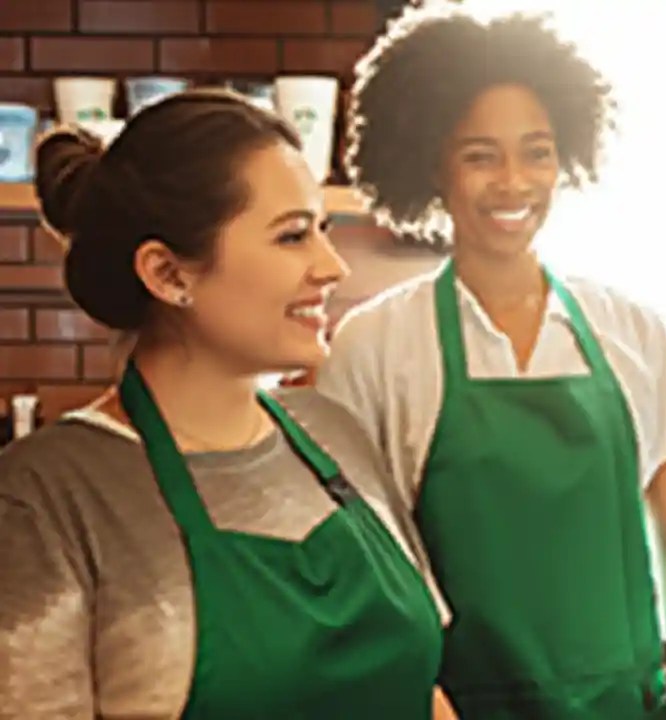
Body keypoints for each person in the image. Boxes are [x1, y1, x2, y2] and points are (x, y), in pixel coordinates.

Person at [316, 8, 666, 719]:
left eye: (536, 152)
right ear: (431, 165)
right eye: (480, 155)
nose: (514, 182)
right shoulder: (375, 346)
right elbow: (362, 579)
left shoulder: (633, 331)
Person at [0, 91, 456, 719]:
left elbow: (424, 694)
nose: (332, 266)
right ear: (168, 274)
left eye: (322, 229)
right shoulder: (45, 498)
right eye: (292, 236)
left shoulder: (334, 437)